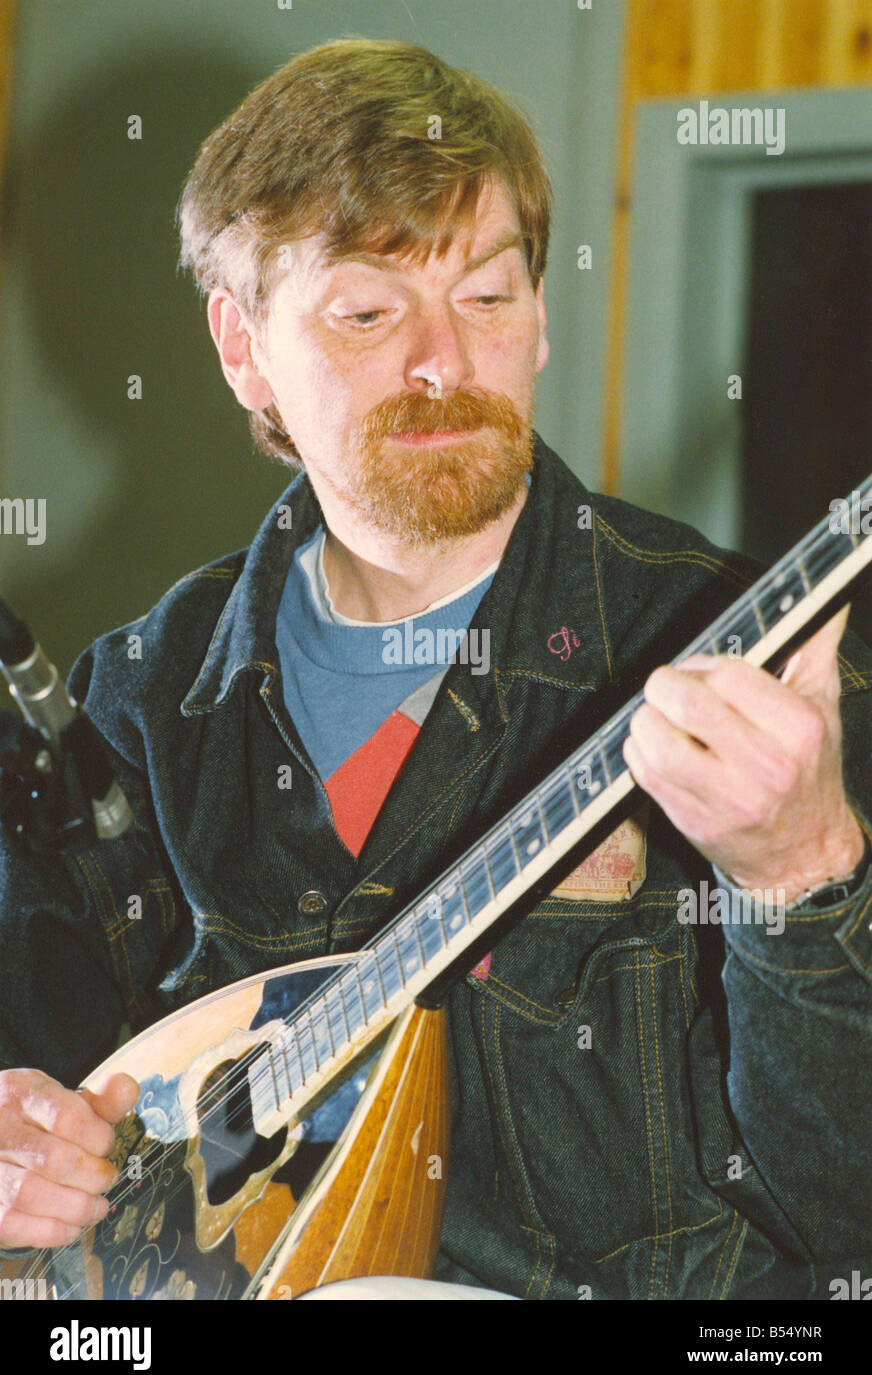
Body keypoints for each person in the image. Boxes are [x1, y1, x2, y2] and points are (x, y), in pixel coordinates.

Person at [0, 38, 869, 1301]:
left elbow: (848, 1214)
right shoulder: (138, 700)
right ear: (243, 350)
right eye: (366, 311)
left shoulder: (742, 666)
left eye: (486, 295)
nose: (442, 363)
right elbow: (43, 1062)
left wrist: (797, 875)